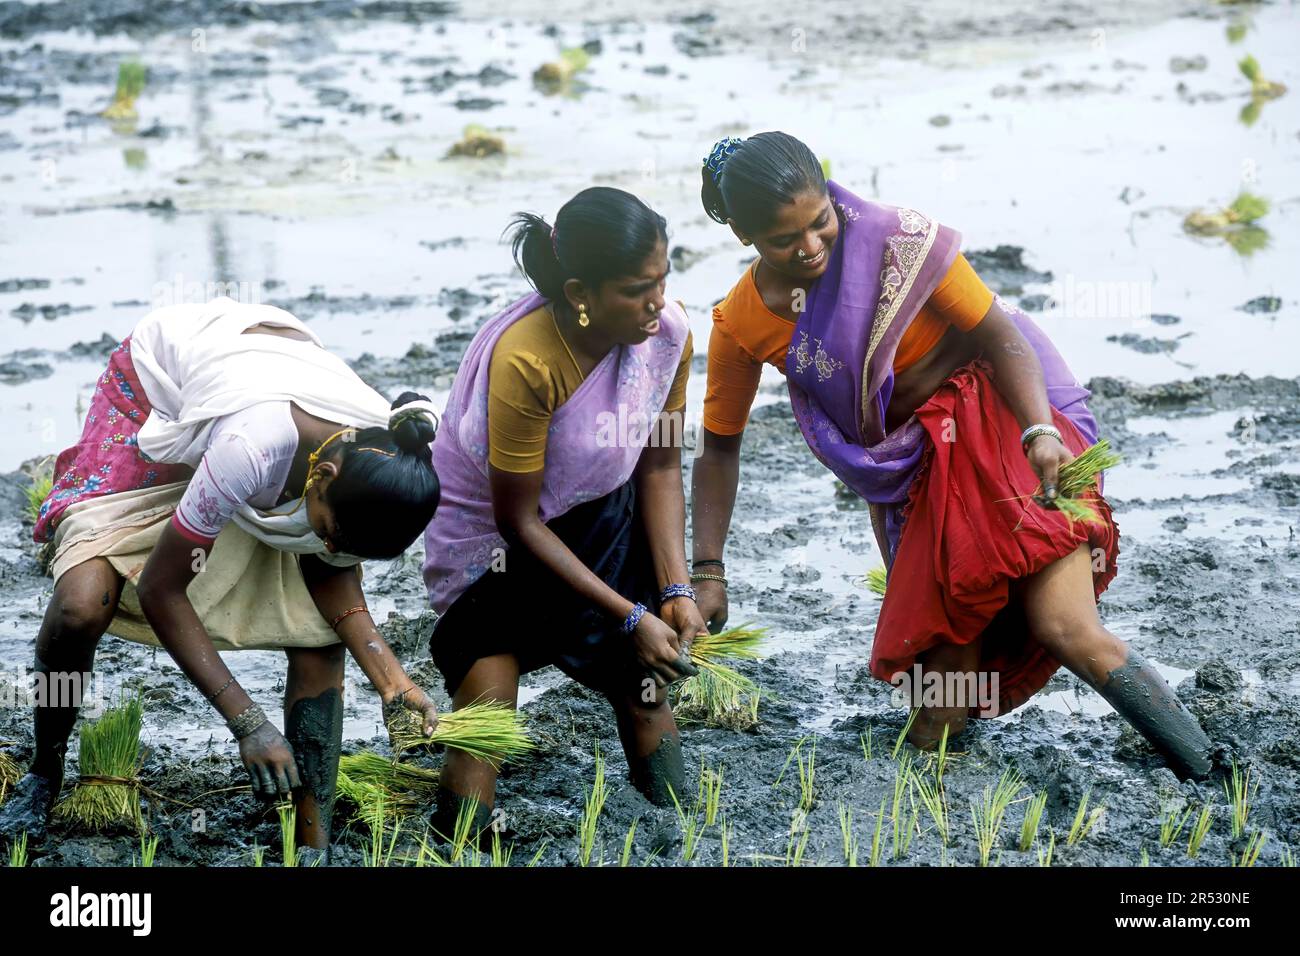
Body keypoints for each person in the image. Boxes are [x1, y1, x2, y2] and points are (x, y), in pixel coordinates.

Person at [688, 132, 1213, 778]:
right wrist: (708, 568)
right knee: (941, 700)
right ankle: (931, 796)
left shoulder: (899, 242)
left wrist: (1039, 432)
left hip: (1003, 431)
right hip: (921, 478)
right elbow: (718, 449)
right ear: (743, 235)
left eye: (820, 221)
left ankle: (1209, 767)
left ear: (831, 195)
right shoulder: (741, 322)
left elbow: (1002, 337)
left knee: (1065, 625)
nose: (812, 248)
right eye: (784, 240)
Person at [0, 297, 443, 857]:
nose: (328, 548)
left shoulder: (382, 453)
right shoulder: (251, 447)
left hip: (253, 404)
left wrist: (393, 684)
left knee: (316, 632)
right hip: (160, 393)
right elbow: (164, 589)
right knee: (80, 606)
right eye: (330, 531)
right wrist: (247, 722)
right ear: (323, 477)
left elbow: (331, 574)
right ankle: (44, 771)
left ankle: (312, 843)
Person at [422, 186, 708, 833]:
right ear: (581, 293)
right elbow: (517, 522)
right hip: (501, 546)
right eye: (637, 289)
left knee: (644, 679)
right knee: (489, 690)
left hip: (603, 512)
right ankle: (457, 835)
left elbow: (660, 464)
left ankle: (679, 820)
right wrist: (629, 612)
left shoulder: (667, 337)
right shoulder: (528, 358)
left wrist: (673, 589)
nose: (657, 303)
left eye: (663, 279)